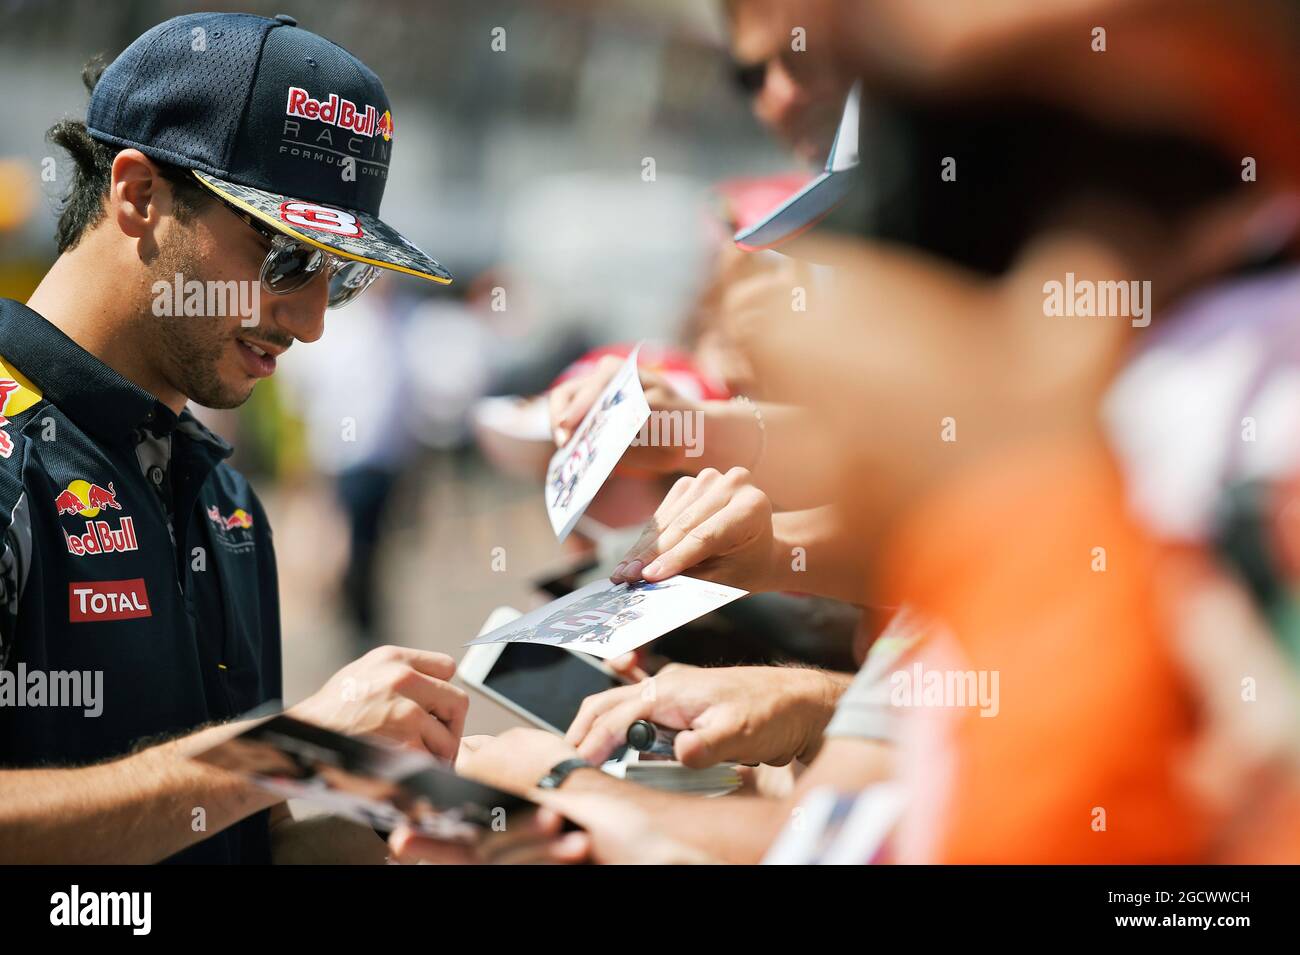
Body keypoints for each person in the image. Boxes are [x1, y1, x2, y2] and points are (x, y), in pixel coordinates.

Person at [0, 12, 468, 864]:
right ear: (139, 195)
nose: (313, 321)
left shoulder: (223, 496)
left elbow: (225, 828)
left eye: (346, 272)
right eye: (289, 255)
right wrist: (278, 752)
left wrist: (400, 812)